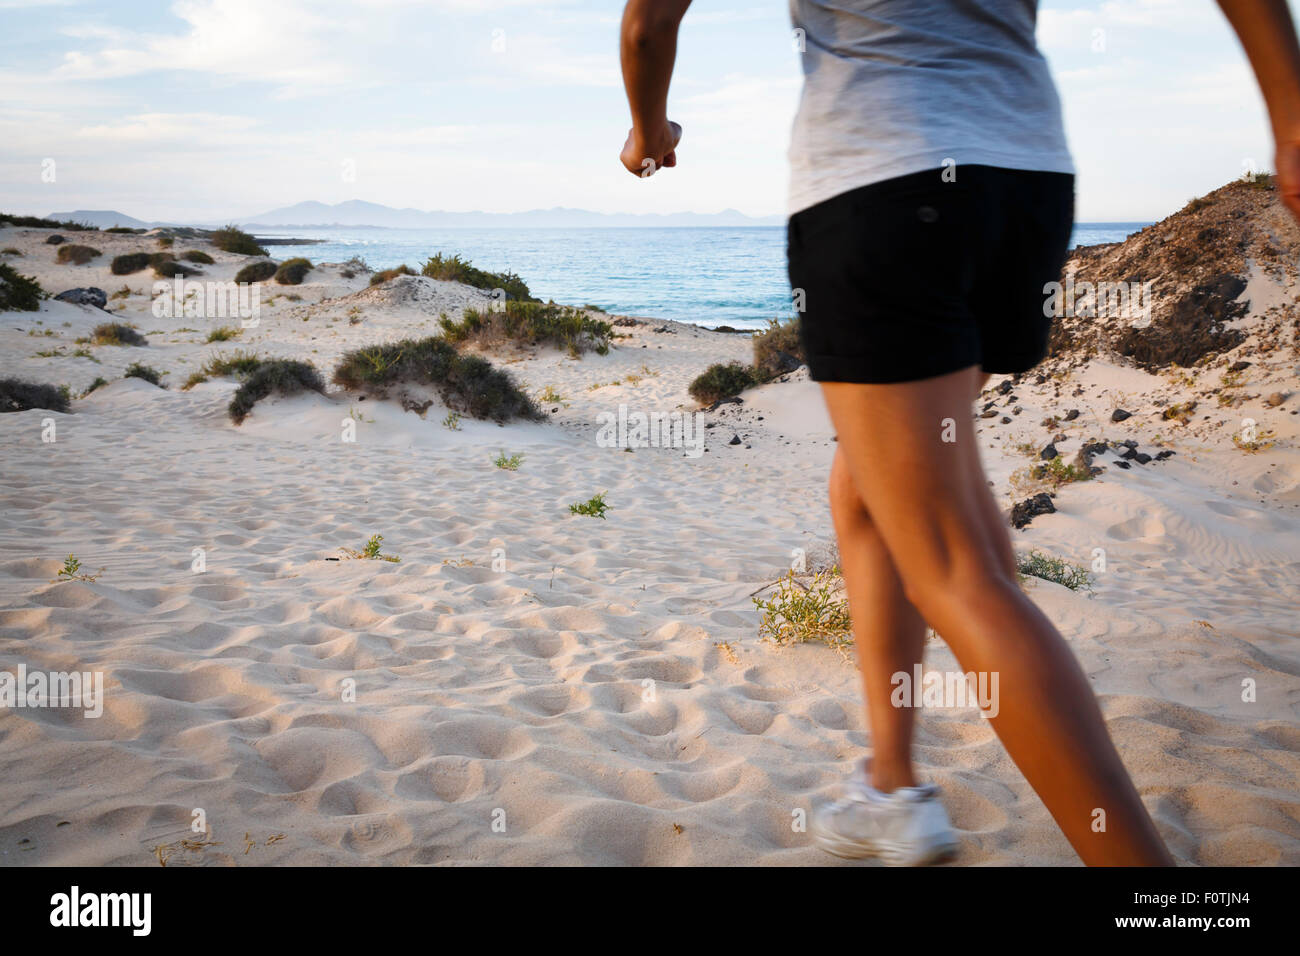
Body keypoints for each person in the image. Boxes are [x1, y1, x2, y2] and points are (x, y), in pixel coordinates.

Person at [618, 0, 1300, 865]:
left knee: (952, 567)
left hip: (881, 181)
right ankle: (892, 784)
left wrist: (648, 128)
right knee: (865, 488)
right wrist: (1289, 117)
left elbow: (649, 22)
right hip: (1025, 185)